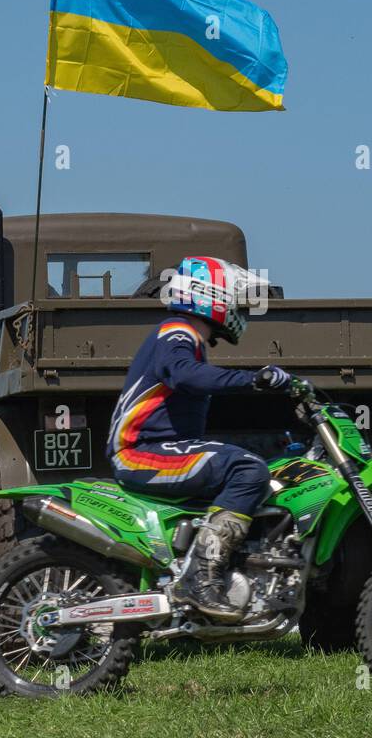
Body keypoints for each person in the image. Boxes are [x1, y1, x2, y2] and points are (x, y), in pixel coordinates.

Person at [106, 256, 290, 622]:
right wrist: (252, 379)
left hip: (156, 449)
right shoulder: (177, 333)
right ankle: (201, 578)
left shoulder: (185, 337)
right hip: (140, 452)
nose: (241, 311)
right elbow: (187, 376)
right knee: (247, 470)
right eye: (235, 301)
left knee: (260, 463)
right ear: (210, 296)